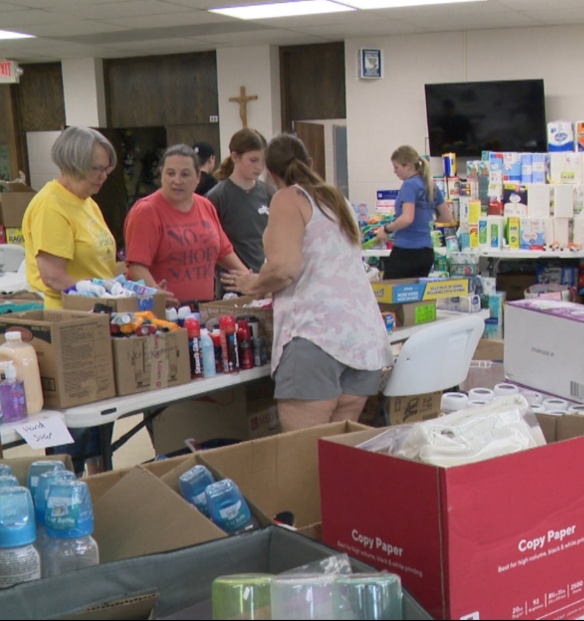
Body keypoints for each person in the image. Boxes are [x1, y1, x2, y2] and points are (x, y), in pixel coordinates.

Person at [222, 134, 392, 432]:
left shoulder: (288, 198)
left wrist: (252, 284)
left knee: (305, 451)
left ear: (270, 172)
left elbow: (284, 269)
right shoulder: (336, 200)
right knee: (336, 447)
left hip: (317, 338)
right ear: (310, 163)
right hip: (362, 340)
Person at [124, 144, 250, 305]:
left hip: (204, 309)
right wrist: (155, 292)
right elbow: (136, 265)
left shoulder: (206, 205)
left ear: (198, 177)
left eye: (185, 174)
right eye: (170, 173)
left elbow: (224, 252)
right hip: (163, 311)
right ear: (161, 174)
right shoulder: (146, 211)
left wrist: (251, 280)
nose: (177, 181)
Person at [22, 127, 117, 309]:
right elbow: (53, 277)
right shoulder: (51, 206)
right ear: (72, 165)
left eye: (106, 169)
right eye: (96, 169)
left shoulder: (87, 202)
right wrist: (97, 295)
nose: (103, 176)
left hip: (97, 310)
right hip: (69, 314)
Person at [375, 146, 453, 280]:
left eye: (396, 167)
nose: (394, 171)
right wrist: (425, 220)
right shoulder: (431, 185)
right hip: (426, 252)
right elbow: (447, 217)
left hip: (406, 251)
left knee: (390, 291)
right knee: (416, 293)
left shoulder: (409, 185)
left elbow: (407, 218)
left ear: (408, 166)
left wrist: (386, 229)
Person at [207, 129, 270, 272]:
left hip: (263, 276)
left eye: (263, 161)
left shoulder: (268, 192)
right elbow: (212, 243)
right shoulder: (217, 197)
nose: (259, 167)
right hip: (231, 278)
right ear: (235, 157)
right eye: (253, 160)